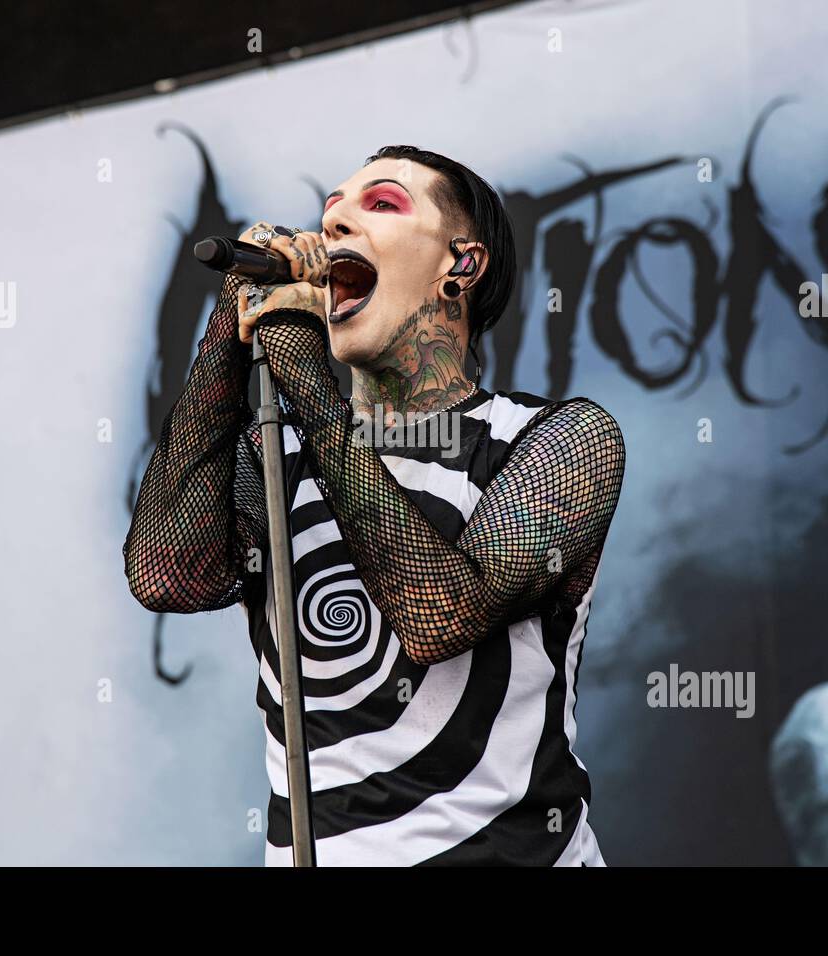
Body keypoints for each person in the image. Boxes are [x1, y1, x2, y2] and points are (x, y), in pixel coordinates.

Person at [122, 145, 626, 865]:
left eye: (380, 204)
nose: (336, 227)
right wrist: (226, 334)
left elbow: (438, 616)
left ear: (462, 265)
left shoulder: (559, 439)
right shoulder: (276, 459)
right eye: (329, 213)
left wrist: (298, 360)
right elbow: (168, 577)